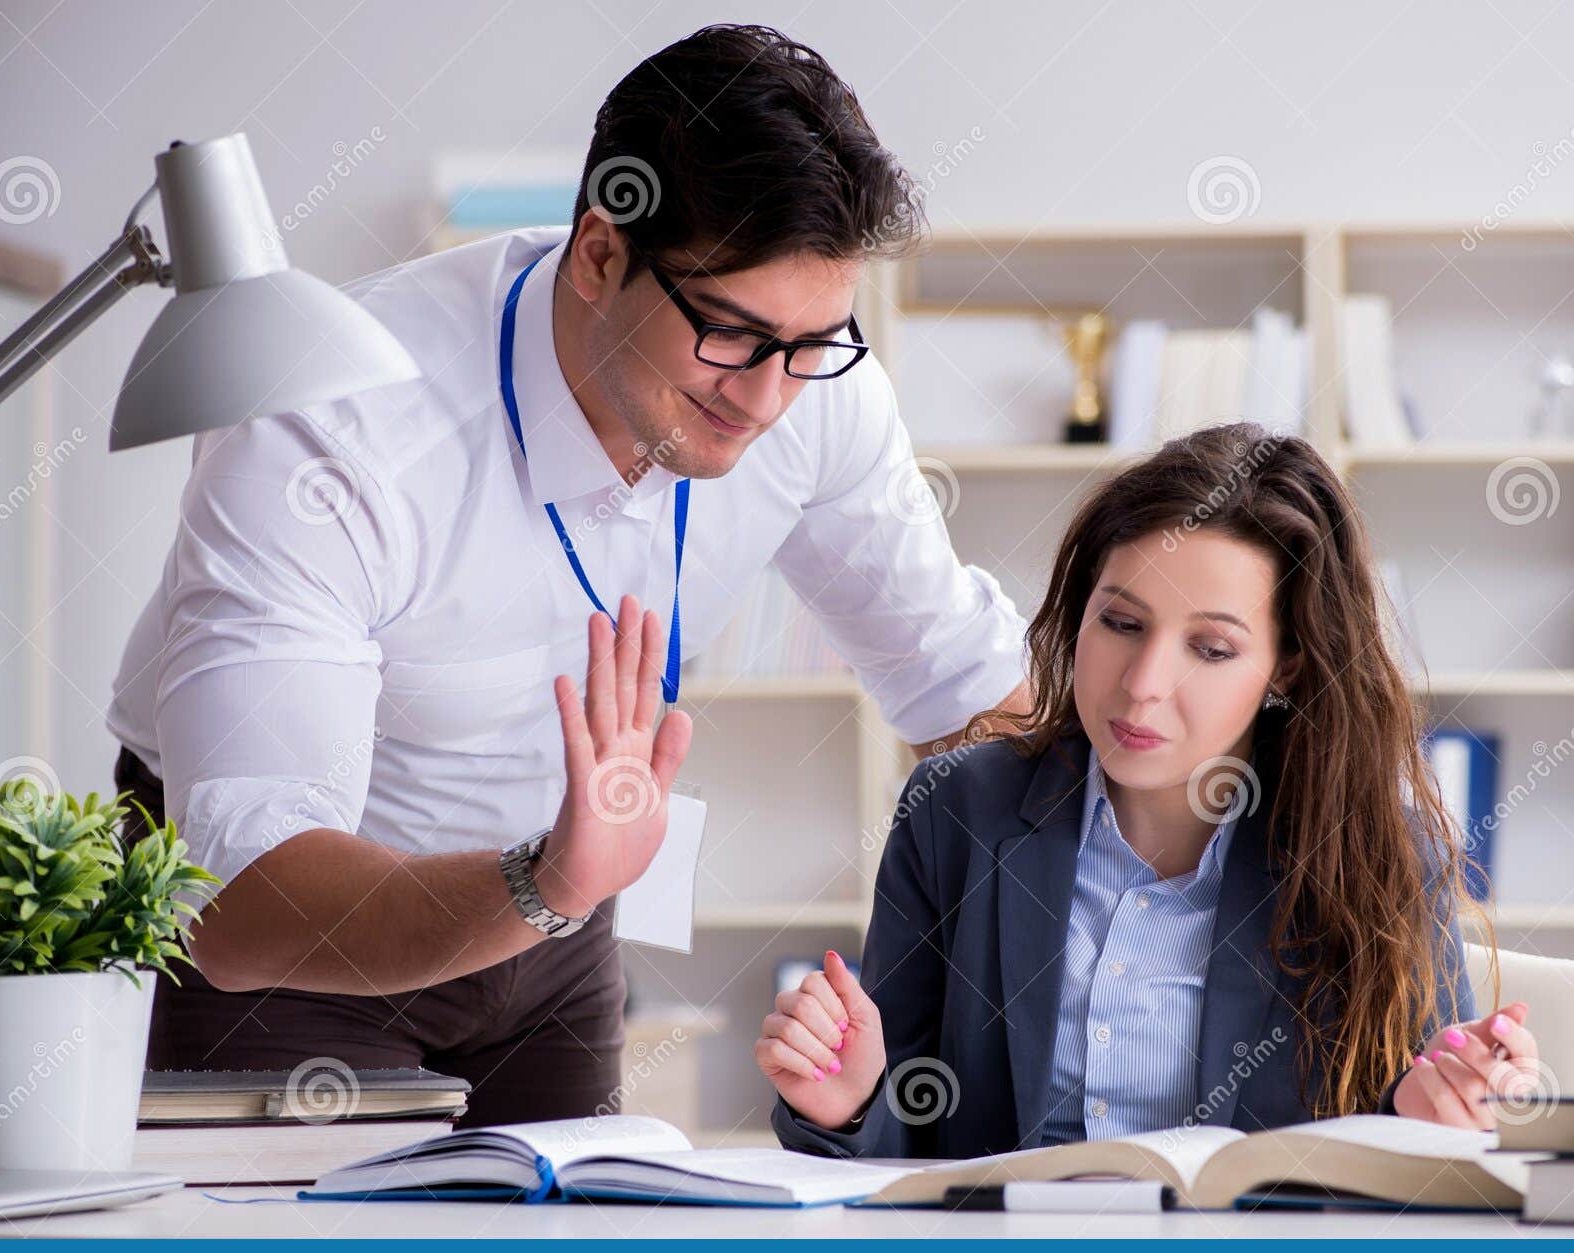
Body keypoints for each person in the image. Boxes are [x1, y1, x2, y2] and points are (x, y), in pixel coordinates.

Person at [106, 24, 1030, 1127]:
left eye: (809, 344)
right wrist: (546, 883)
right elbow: (240, 901)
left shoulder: (812, 386)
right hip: (305, 942)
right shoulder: (332, 422)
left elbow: (971, 697)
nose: (768, 398)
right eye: (731, 336)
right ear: (599, 254)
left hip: (558, 907)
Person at [757, 424, 1541, 1158]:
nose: (1142, 685)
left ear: (1289, 665)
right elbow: (909, 1138)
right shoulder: (954, 811)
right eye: (1122, 623)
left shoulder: (1383, 852)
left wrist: (1443, 1111)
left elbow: (1408, 1148)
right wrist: (851, 1103)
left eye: (1210, 647)